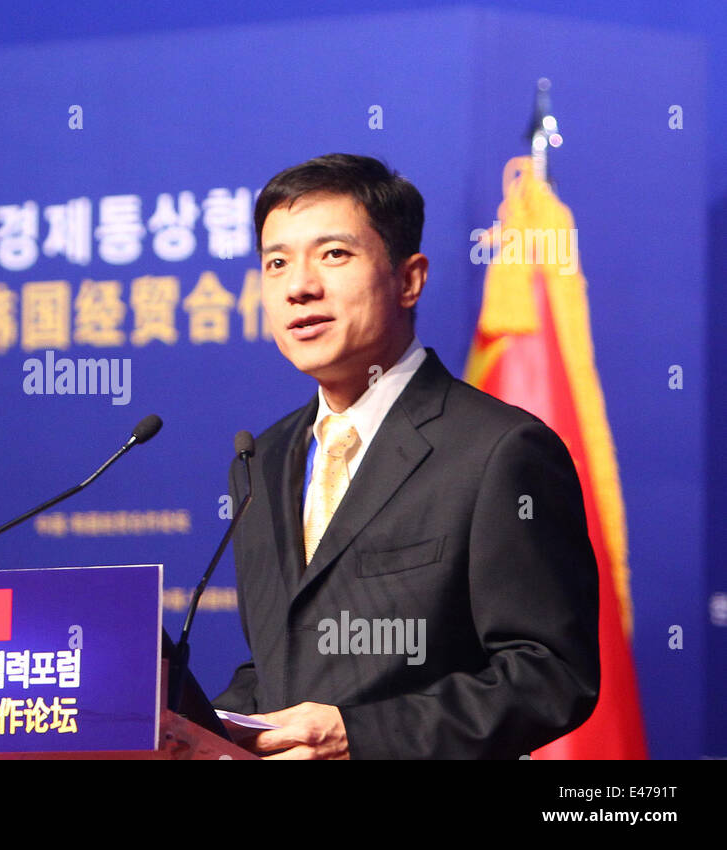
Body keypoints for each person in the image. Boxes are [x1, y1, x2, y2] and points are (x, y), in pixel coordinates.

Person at [212, 153, 599, 759]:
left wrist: (359, 740)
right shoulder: (261, 459)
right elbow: (283, 665)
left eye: (333, 254)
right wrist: (204, 727)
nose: (299, 286)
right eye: (276, 262)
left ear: (409, 279)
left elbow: (550, 673)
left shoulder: (498, 450)